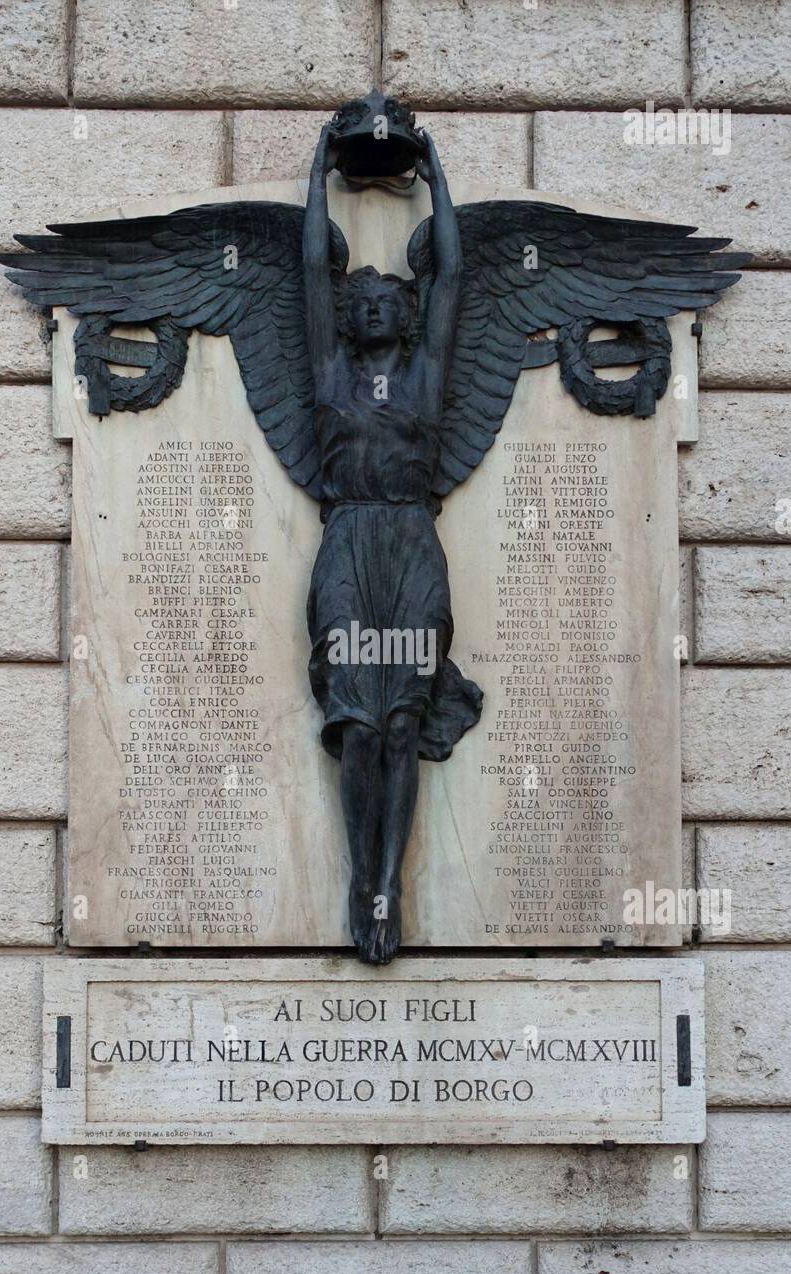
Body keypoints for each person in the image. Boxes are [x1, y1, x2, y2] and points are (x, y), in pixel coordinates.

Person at [302, 123, 482, 964]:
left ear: (404, 323)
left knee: (401, 722)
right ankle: (355, 878)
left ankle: (387, 882)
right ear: (348, 319)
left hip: (409, 542)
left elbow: (448, 274)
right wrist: (317, 165)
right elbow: (310, 268)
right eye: (361, 303)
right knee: (359, 724)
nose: (374, 307)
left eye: (387, 304)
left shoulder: (421, 375)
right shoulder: (331, 374)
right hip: (348, 540)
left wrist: (435, 168)